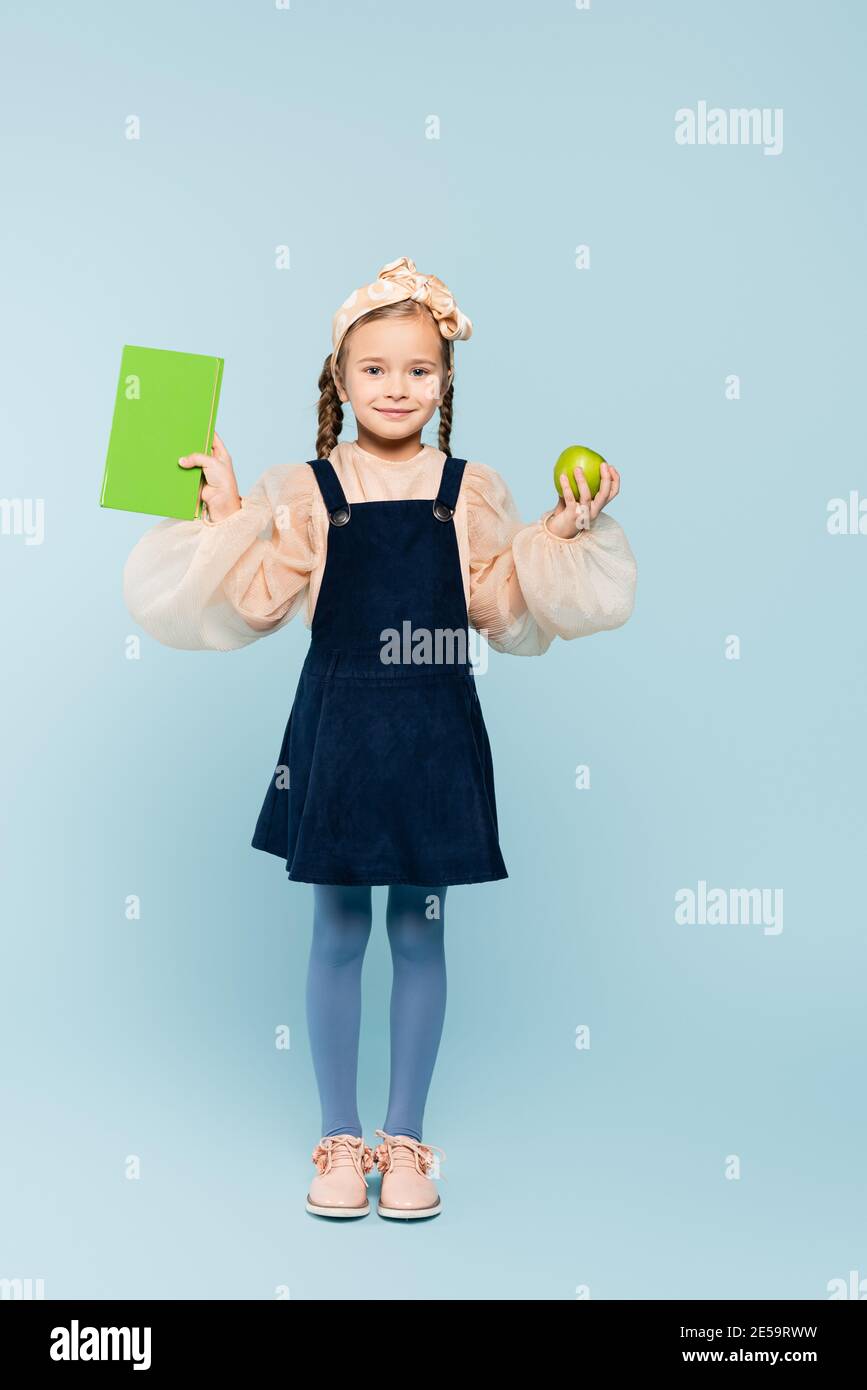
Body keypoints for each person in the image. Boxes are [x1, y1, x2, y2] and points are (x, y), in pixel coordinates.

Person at [122, 255, 638, 1220]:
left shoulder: (469, 488)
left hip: (434, 726)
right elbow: (259, 599)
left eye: (417, 370)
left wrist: (559, 535)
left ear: (443, 384)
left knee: (420, 926)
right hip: (340, 724)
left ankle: (405, 1141)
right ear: (339, 377)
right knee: (339, 927)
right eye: (374, 369)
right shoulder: (308, 488)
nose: (395, 388)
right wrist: (229, 510)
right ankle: (337, 1137)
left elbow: (495, 605)